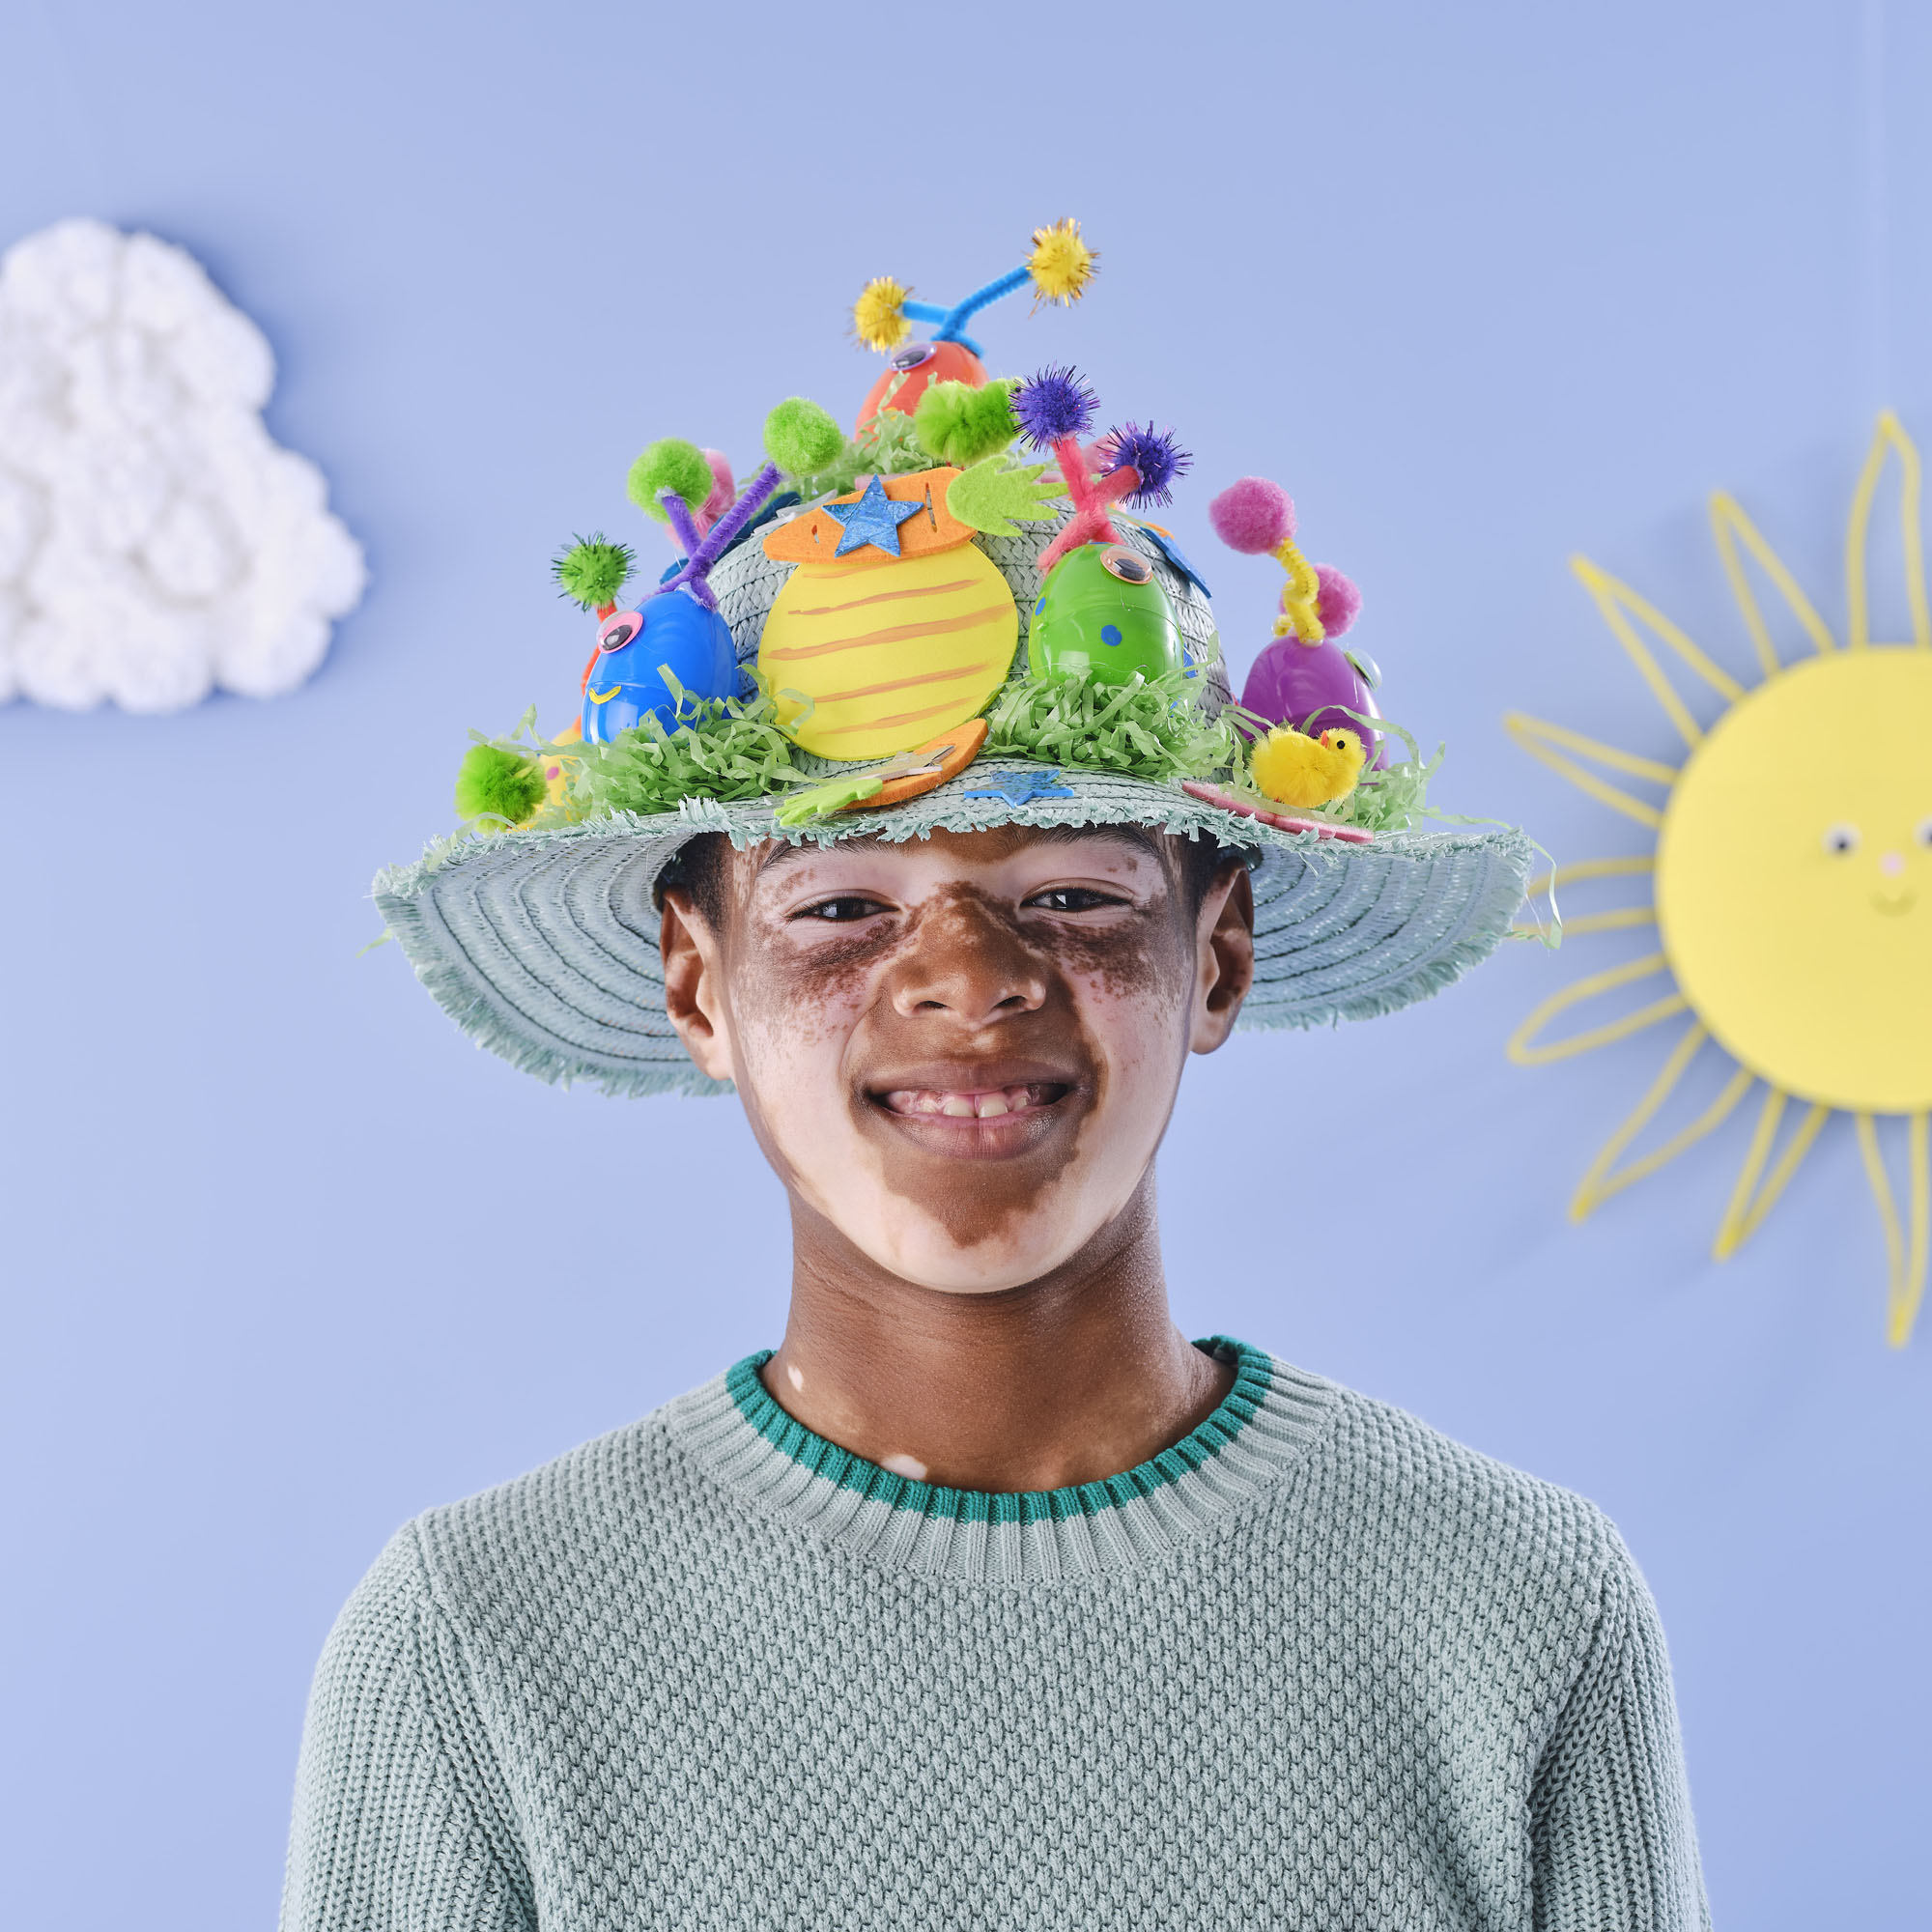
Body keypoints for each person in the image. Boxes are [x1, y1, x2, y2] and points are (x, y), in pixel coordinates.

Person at [283, 238, 1708, 1929]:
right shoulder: (477, 1648)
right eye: (837, 907)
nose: (967, 975)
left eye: (1076, 898)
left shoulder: (1518, 1610)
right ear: (697, 981)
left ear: (1219, 959)